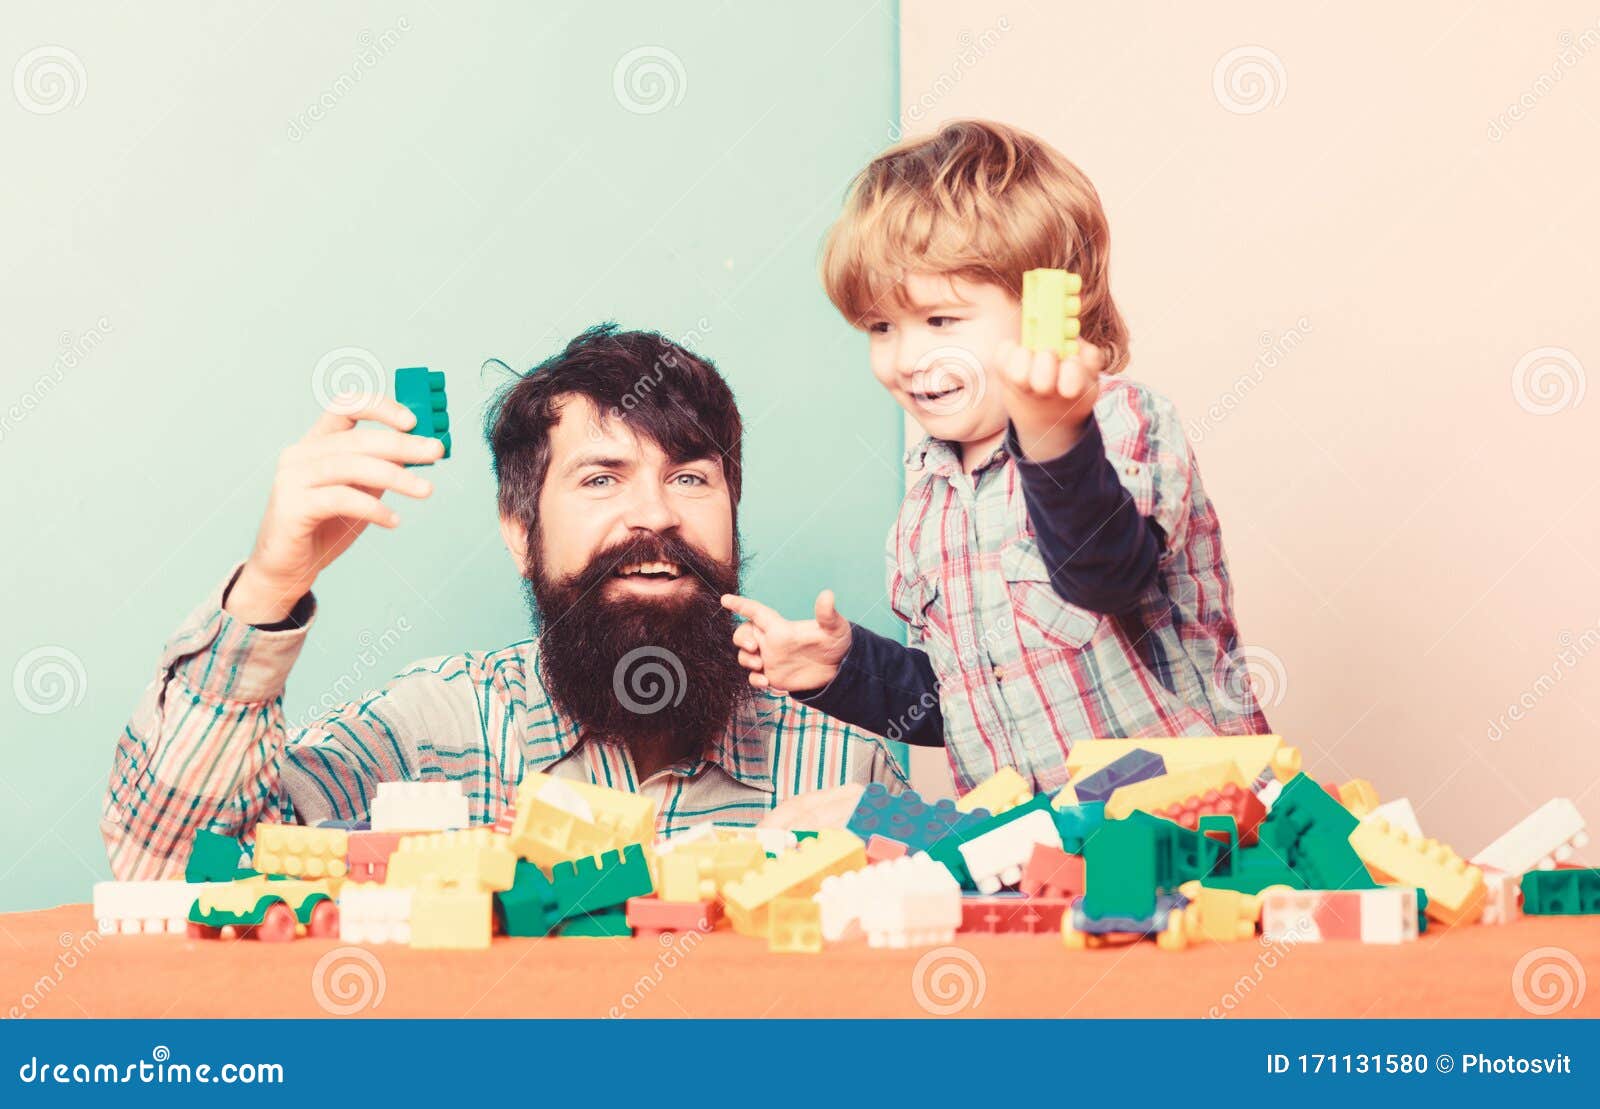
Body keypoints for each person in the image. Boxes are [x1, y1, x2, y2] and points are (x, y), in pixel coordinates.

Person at [102, 324, 906, 879]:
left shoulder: (845, 759)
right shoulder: (426, 734)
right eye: (602, 478)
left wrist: (902, 844)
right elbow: (165, 866)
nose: (656, 515)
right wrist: (270, 587)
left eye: (690, 477)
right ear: (521, 532)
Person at [723, 120, 1270, 797]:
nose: (907, 358)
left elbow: (1107, 577)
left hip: (1198, 821)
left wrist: (1053, 438)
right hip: (1033, 844)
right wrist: (846, 670)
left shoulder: (1118, 419)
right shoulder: (926, 502)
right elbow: (966, 702)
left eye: (941, 320)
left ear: (1045, 309)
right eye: (881, 327)